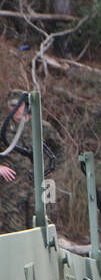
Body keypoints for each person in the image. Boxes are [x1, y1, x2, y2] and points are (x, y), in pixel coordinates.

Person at [1, 91, 59, 234]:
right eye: (13, 106)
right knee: (14, 231)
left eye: (19, 105)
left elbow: (59, 149)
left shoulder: (42, 127)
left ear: (27, 105)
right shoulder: (4, 127)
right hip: (12, 190)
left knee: (40, 229)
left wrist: (50, 169)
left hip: (39, 186)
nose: (17, 109)